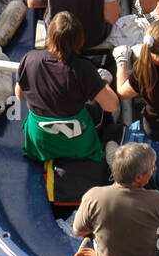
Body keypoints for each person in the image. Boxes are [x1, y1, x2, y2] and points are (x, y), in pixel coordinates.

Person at [15, 11, 119, 162]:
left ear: (49, 35)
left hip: (41, 142)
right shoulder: (84, 69)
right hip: (78, 143)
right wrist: (102, 81)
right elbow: (112, 106)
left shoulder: (29, 59)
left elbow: (20, 95)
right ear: (80, 40)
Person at [73, 141, 159, 256]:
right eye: (152, 167)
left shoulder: (93, 196)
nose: (154, 169)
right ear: (138, 178)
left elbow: (78, 231)